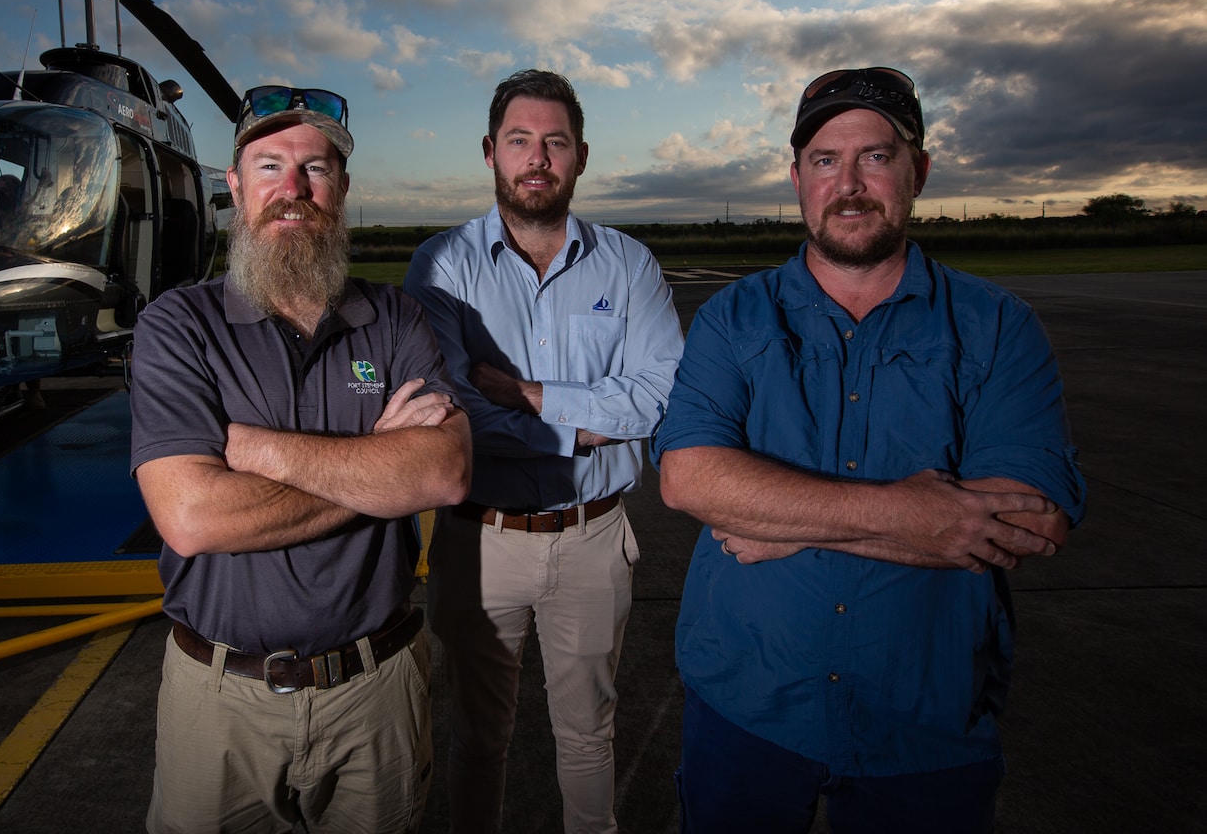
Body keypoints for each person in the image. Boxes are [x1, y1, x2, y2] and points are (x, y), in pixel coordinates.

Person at [651, 66, 1087, 833]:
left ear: (918, 171)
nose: (848, 183)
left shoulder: (997, 326)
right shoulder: (734, 317)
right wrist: (918, 517)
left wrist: (782, 518)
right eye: (825, 160)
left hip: (928, 720)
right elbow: (689, 477)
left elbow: (1027, 518)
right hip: (749, 707)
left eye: (875, 157)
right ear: (797, 179)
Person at [129, 84, 473, 833]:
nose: (293, 191)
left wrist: (252, 450)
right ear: (235, 186)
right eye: (270, 167)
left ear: (342, 189)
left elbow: (443, 473)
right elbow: (190, 516)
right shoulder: (178, 325)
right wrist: (381, 466)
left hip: (374, 692)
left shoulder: (394, 317)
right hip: (219, 703)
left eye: (315, 170)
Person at [404, 69, 683, 833]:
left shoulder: (629, 265)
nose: (538, 158)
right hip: (479, 541)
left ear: (581, 156)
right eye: (521, 141)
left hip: (594, 535)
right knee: (477, 737)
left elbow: (658, 399)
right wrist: (594, 412)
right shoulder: (443, 265)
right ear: (491, 152)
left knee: (590, 735)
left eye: (554, 142)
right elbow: (450, 416)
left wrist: (529, 395)